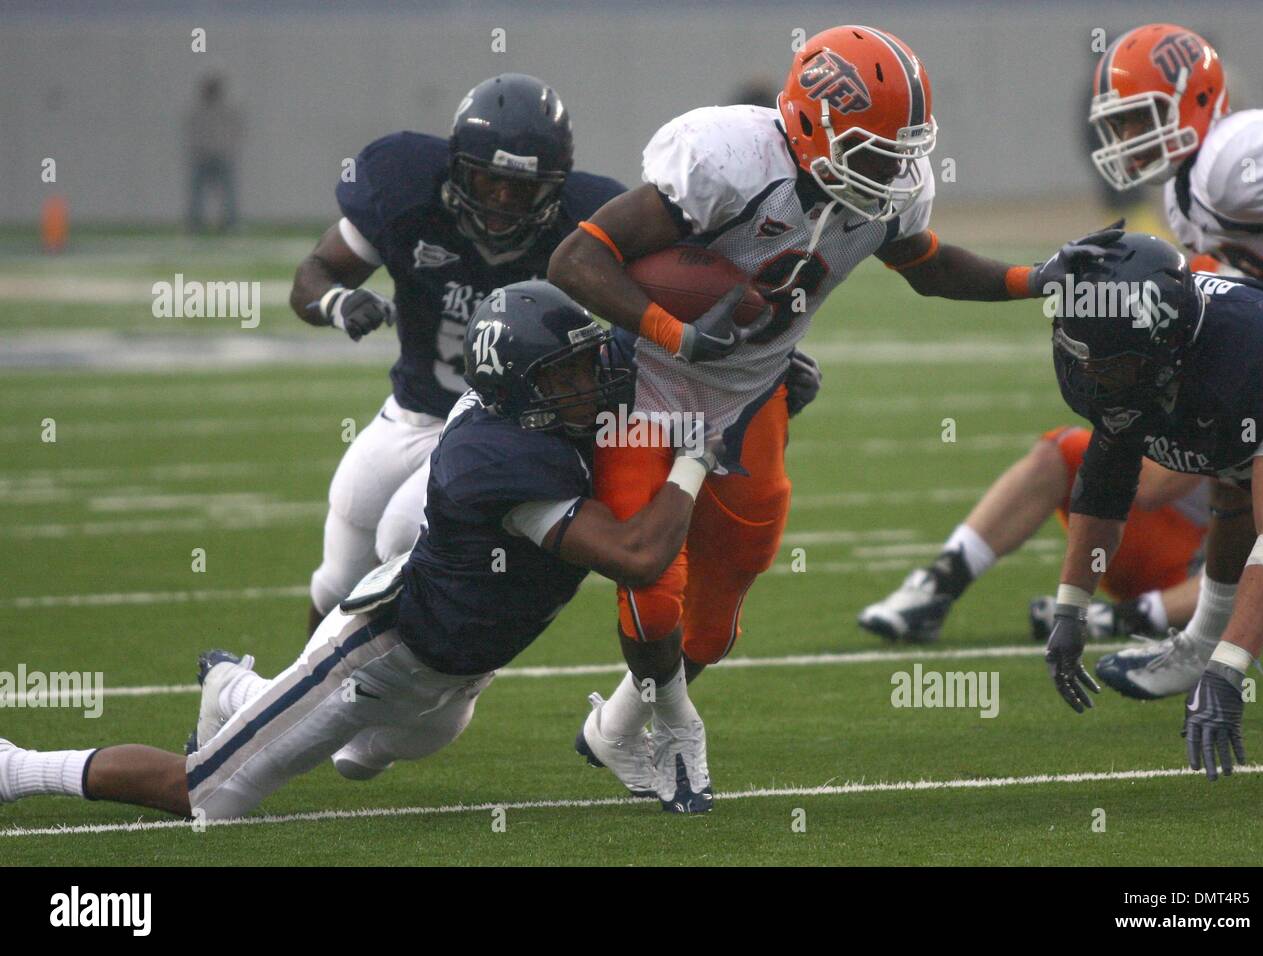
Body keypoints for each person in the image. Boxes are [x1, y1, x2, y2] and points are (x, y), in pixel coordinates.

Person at [549, 24, 1101, 810]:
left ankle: (619, 726)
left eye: (903, 150)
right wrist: (677, 333)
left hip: (751, 396)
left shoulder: (889, 187)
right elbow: (577, 259)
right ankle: (676, 728)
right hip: (649, 381)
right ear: (812, 126)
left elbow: (929, 266)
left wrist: (1036, 276)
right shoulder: (726, 161)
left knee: (719, 607)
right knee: (649, 570)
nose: (895, 170)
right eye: (875, 151)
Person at [0, 283, 722, 818]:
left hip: (460, 668)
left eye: (583, 364)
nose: (589, 382)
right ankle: (18, 767)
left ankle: (233, 690)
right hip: (380, 654)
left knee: (357, 763)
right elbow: (638, 557)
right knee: (209, 795)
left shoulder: (518, 413)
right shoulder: (500, 460)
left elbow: (647, 345)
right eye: (566, 375)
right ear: (522, 391)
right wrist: (695, 458)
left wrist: (765, 355)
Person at [289, 73, 624, 635]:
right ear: (455, 167)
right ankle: (291, 707)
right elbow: (313, 275)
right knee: (338, 570)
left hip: (505, 433)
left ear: (555, 187)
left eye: (521, 188)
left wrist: (765, 359)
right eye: (487, 181)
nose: (501, 200)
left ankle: (410, 689)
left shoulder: (587, 226)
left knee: (401, 538)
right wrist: (335, 302)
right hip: (414, 410)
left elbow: (660, 313)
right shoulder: (406, 190)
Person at [1085, 23, 1263, 698]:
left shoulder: (1234, 158)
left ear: (1196, 98)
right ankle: (1205, 641)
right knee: (1225, 426)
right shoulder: (1185, 197)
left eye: (1139, 120)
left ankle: (1209, 645)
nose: (1126, 141)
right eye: (1117, 127)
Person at [1038, 233, 1263, 780]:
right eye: (1083, 356)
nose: (1091, 374)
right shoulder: (1099, 358)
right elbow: (1106, 484)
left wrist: (1229, 669)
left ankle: (1209, 649)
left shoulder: (1260, 352)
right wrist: (1070, 607)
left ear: (1166, 344)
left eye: (1111, 364)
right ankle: (1200, 642)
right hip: (1253, 469)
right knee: (1228, 481)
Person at [859, 427, 1207, 647]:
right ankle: (939, 584)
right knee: (1063, 449)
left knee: (1253, 550)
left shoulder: (1240, 359)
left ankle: (1126, 618)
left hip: (1217, 573)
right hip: (1166, 543)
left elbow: (1155, 487)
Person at [185, 74, 244, 233]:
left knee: (228, 192)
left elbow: (235, 129)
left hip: (222, 154)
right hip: (202, 155)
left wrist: (228, 147)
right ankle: (195, 223)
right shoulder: (197, 109)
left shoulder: (228, 108)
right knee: (197, 193)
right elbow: (192, 131)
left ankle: (230, 223)